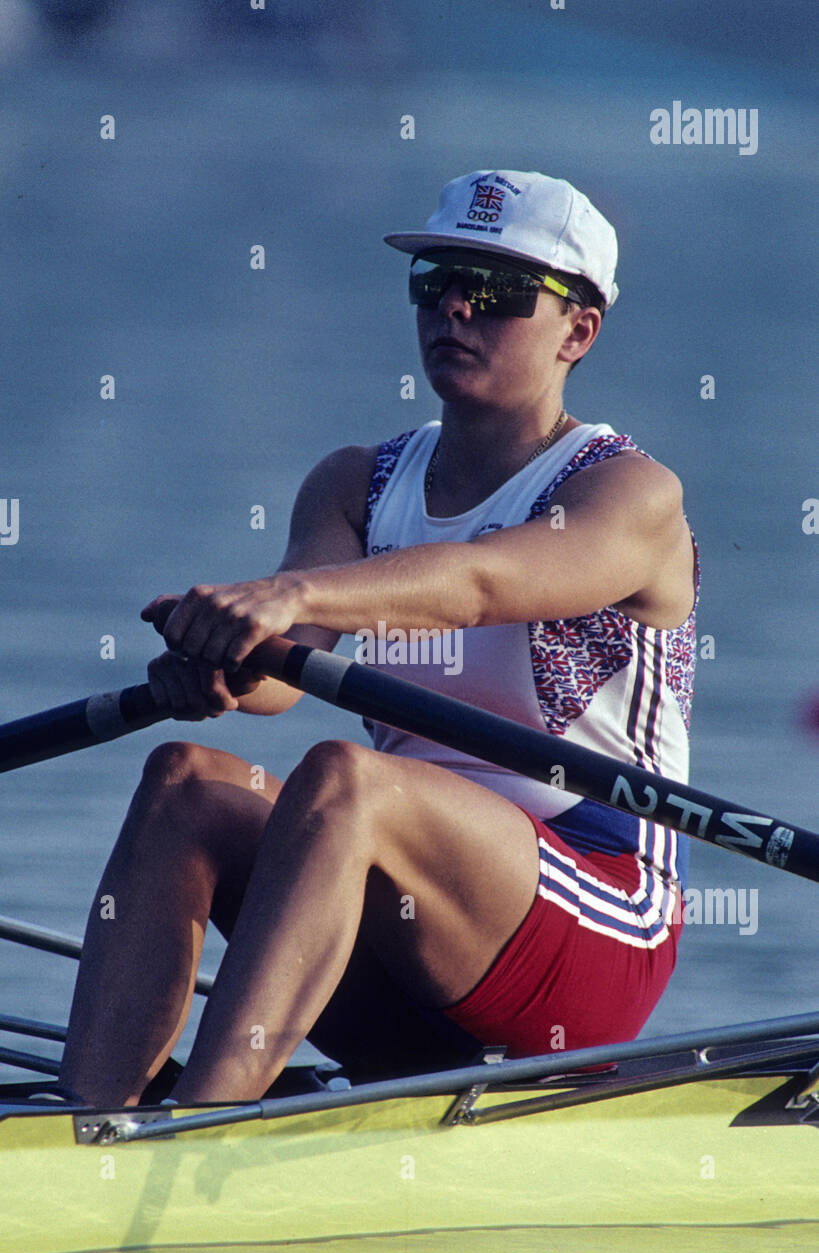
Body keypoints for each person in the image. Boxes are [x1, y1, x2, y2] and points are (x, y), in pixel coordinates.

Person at [57, 169, 698, 1108]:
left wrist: (284, 595)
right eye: (436, 278)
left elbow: (477, 583)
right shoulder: (356, 482)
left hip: (594, 922)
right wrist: (219, 661)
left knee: (346, 778)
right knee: (185, 781)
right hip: (401, 912)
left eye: (498, 292)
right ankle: (86, 1126)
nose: (456, 307)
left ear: (578, 331)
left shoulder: (627, 496)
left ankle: (204, 1122)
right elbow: (282, 677)